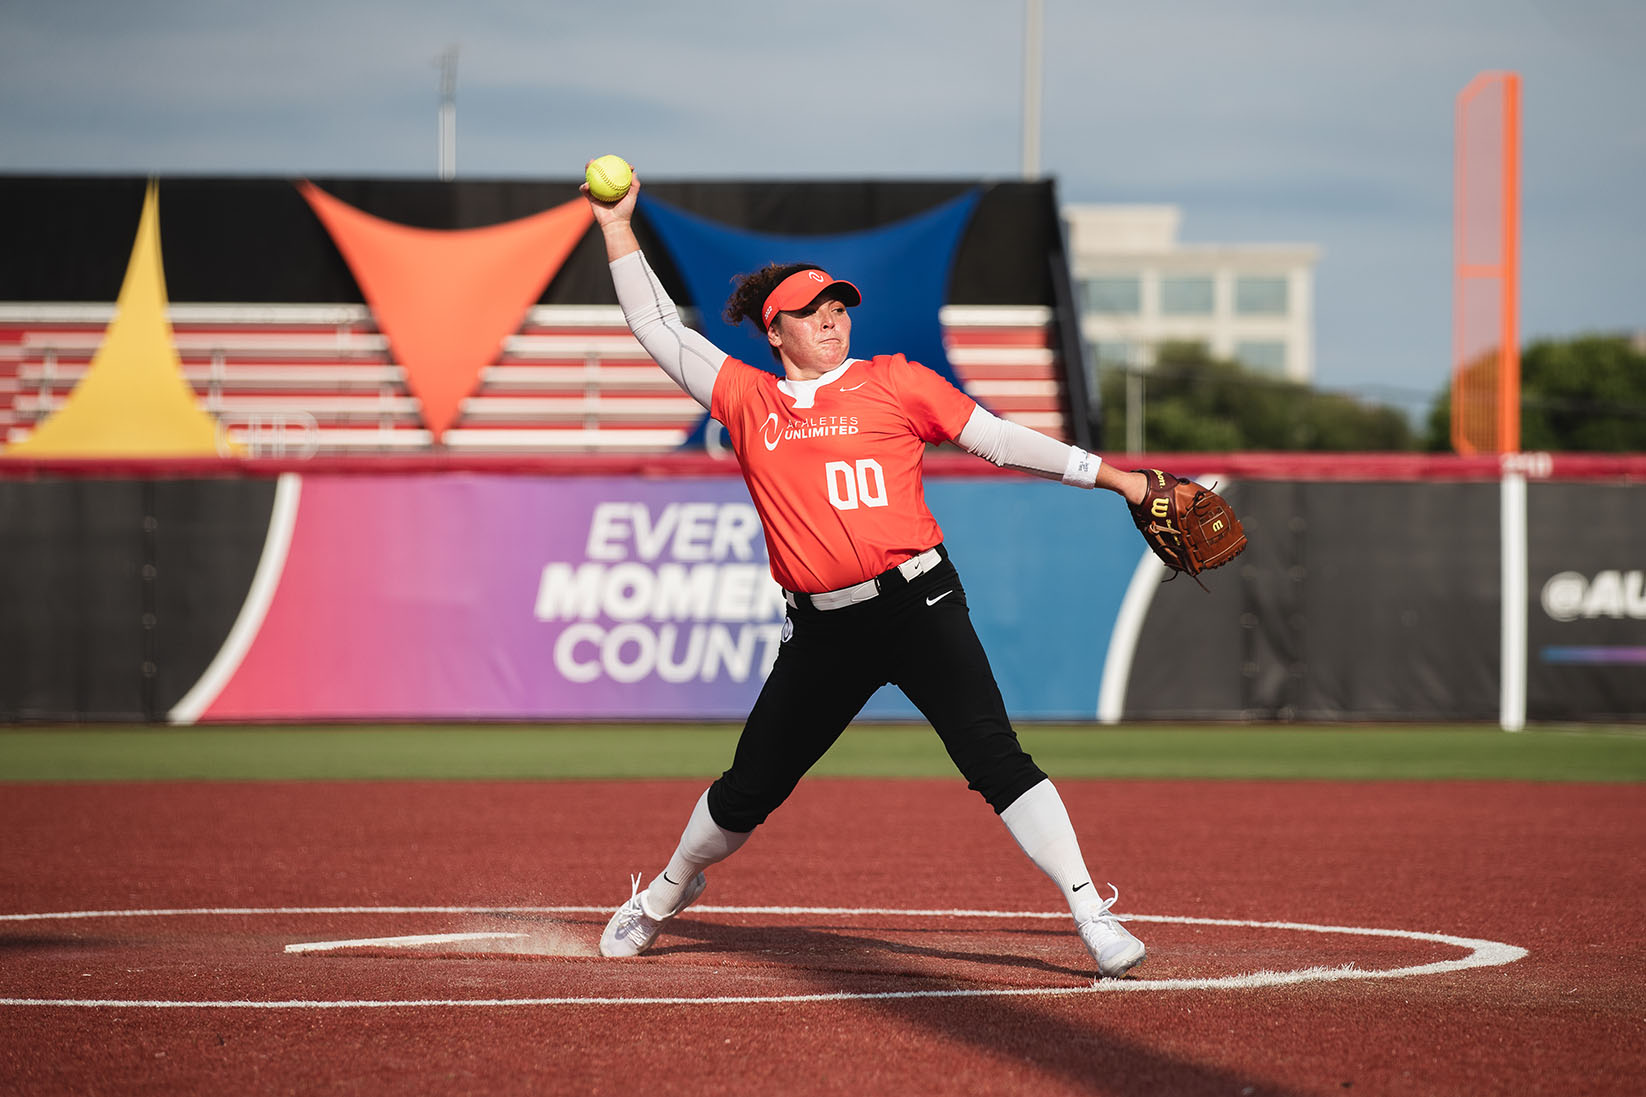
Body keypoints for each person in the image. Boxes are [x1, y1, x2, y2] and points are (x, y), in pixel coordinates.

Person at [583, 168, 1152, 979]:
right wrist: (616, 223)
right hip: (823, 630)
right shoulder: (749, 400)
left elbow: (998, 438)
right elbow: (652, 324)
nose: (833, 320)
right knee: (748, 791)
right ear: (774, 331)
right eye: (813, 312)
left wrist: (1120, 479)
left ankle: (1091, 913)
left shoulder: (894, 380)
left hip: (920, 601)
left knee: (995, 756)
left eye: (839, 307)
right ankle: (667, 892)